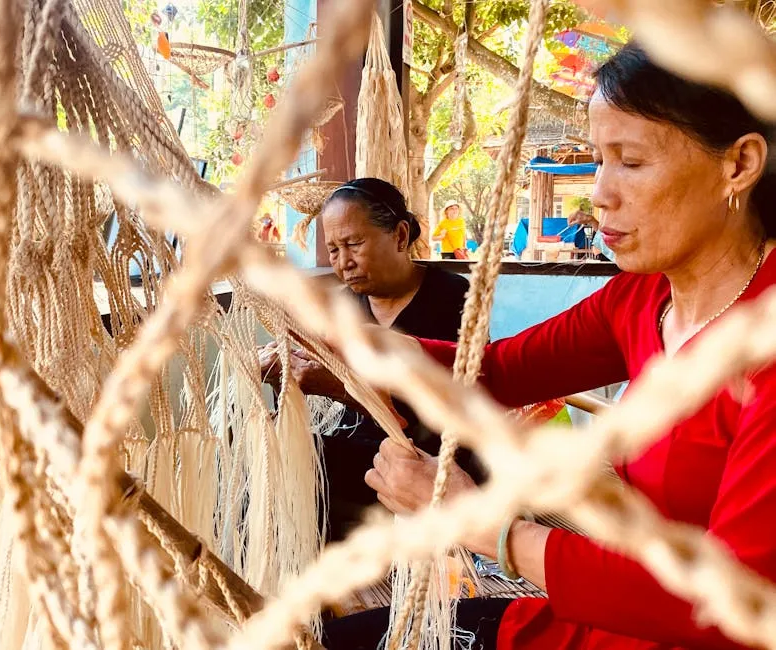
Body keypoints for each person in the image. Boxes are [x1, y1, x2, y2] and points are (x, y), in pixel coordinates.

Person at [326, 44, 776, 650]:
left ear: (739, 164)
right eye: (597, 160)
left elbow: (732, 611)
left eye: (632, 163)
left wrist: (488, 525)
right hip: (609, 615)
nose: (600, 194)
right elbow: (500, 371)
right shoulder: (642, 299)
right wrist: (365, 348)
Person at [259, 177, 479, 542]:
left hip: (427, 460)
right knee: (263, 442)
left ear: (400, 236)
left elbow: (453, 407)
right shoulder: (344, 306)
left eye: (354, 244)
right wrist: (284, 369)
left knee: (308, 460)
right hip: (363, 454)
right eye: (333, 250)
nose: (344, 263)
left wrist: (338, 387)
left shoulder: (455, 299)